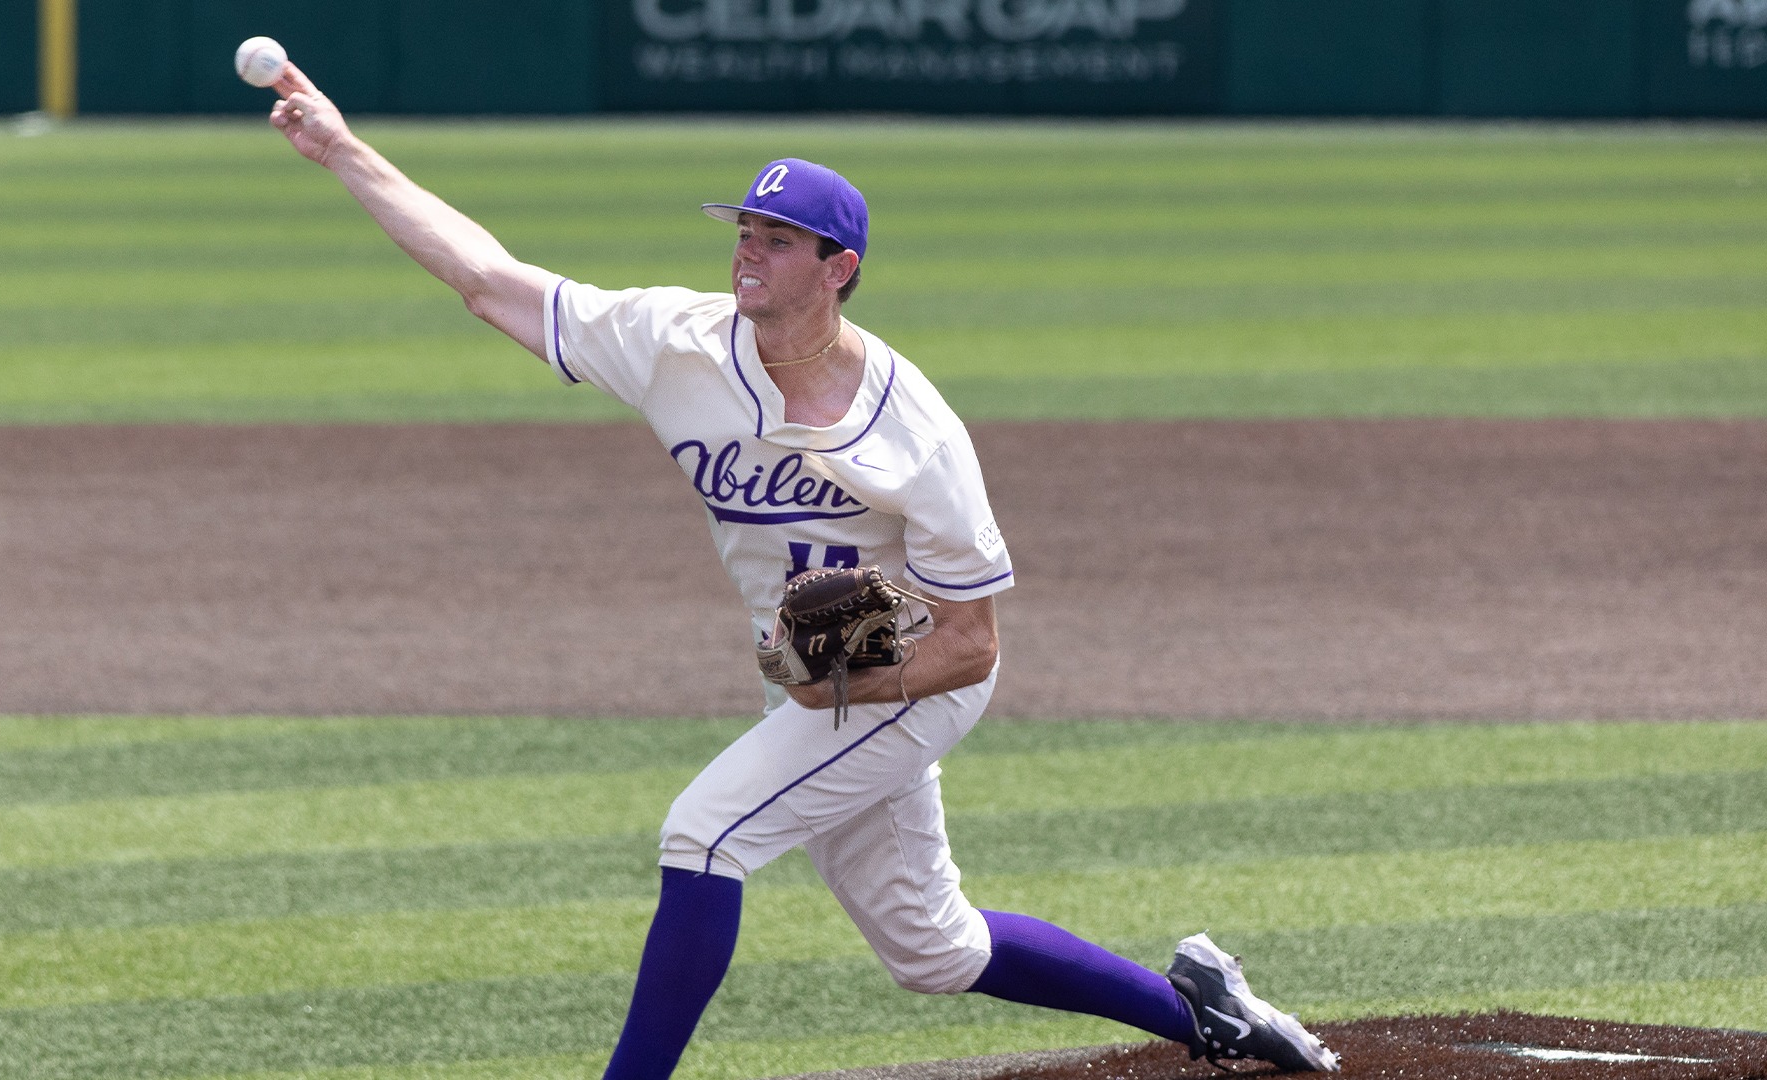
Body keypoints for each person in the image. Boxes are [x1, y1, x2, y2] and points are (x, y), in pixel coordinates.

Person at [262, 63, 1340, 1078]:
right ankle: (1203, 1008)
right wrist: (346, 152)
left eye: (780, 240)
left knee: (704, 834)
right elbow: (489, 279)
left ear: (840, 269)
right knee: (935, 951)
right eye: (745, 229)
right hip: (818, 663)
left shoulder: (916, 432)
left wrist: (856, 686)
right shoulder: (674, 343)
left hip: (910, 673)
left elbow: (974, 643)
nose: (748, 252)